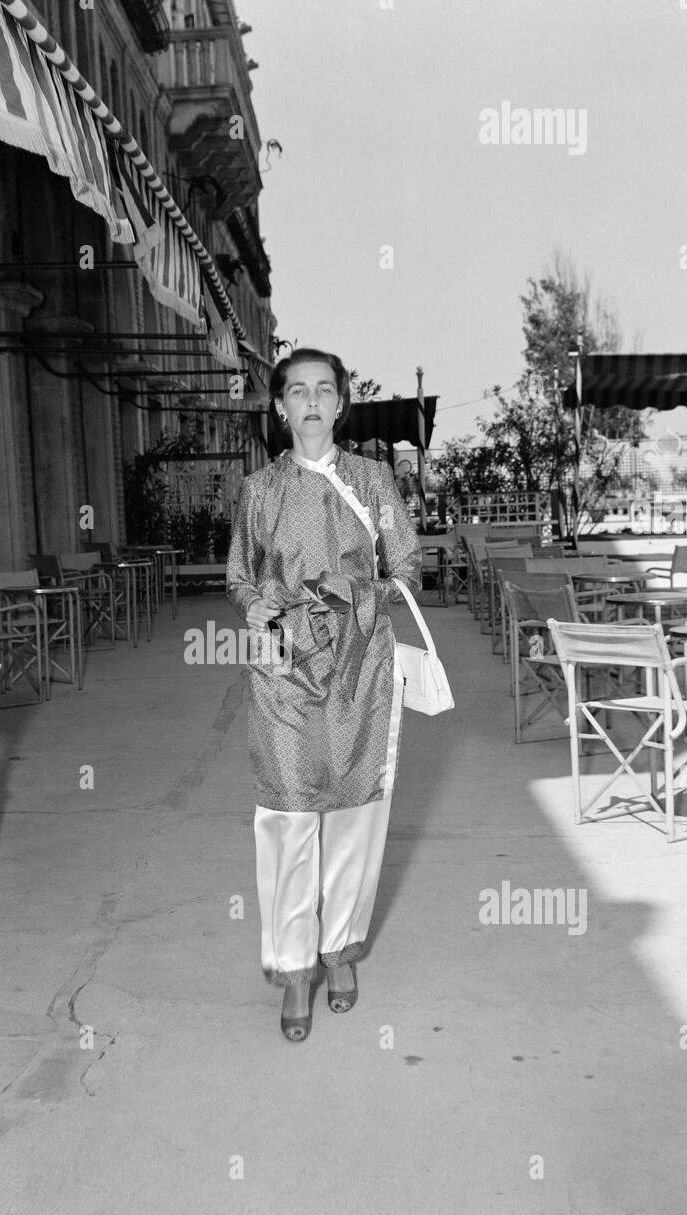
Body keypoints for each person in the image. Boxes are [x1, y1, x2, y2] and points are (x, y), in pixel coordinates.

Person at [226, 347, 421, 1042]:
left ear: (341, 403)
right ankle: (293, 968)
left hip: (360, 662)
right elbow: (239, 574)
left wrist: (353, 593)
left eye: (324, 390)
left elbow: (408, 570)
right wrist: (251, 604)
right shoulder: (258, 490)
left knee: (354, 811)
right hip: (282, 662)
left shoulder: (372, 481)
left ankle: (338, 952)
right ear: (280, 407)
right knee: (286, 814)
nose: (311, 401)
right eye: (297, 391)